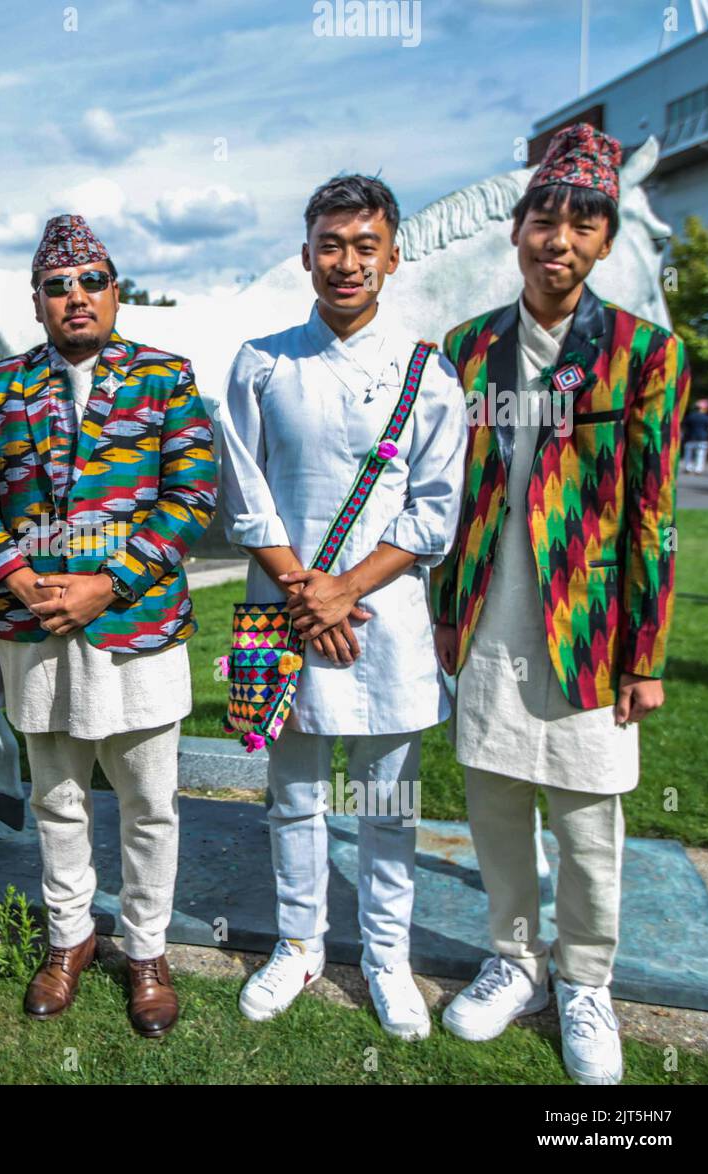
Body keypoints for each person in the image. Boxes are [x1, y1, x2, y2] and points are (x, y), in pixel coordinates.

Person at [432, 124, 691, 1085]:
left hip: (591, 626)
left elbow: (655, 518)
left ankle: (586, 981)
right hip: (490, 612)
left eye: (584, 223)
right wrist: (447, 612)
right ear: (517, 230)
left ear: (605, 240)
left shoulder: (644, 356)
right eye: (546, 217)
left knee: (587, 820)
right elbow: (450, 493)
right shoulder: (469, 350)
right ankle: (514, 964)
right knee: (494, 802)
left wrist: (647, 653)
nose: (561, 239)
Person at [0, 214, 217, 1037]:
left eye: (90, 282)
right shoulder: (0, 387)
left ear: (116, 291)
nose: (75, 298)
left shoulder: (166, 379)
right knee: (59, 796)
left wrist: (111, 581)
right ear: (36, 302)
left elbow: (191, 497)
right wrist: (15, 574)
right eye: (57, 285)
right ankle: (71, 938)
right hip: (34, 633)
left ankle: (146, 949)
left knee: (148, 801)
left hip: (133, 626)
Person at [219, 175, 467, 1039]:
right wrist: (306, 591)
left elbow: (434, 511)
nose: (348, 262)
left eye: (366, 245)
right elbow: (246, 497)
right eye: (332, 244)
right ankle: (298, 943)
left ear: (393, 257)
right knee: (293, 798)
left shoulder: (429, 374)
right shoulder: (263, 361)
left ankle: (388, 955)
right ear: (306, 255)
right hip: (286, 614)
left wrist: (344, 590)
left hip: (382, 623)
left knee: (387, 807)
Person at [682, 398, 708, 473]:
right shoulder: (707, 418)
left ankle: (688, 468)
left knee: (688, 454)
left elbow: (685, 426)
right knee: (701, 455)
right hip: (703, 438)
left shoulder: (691, 416)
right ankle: (698, 469)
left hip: (690, 438)